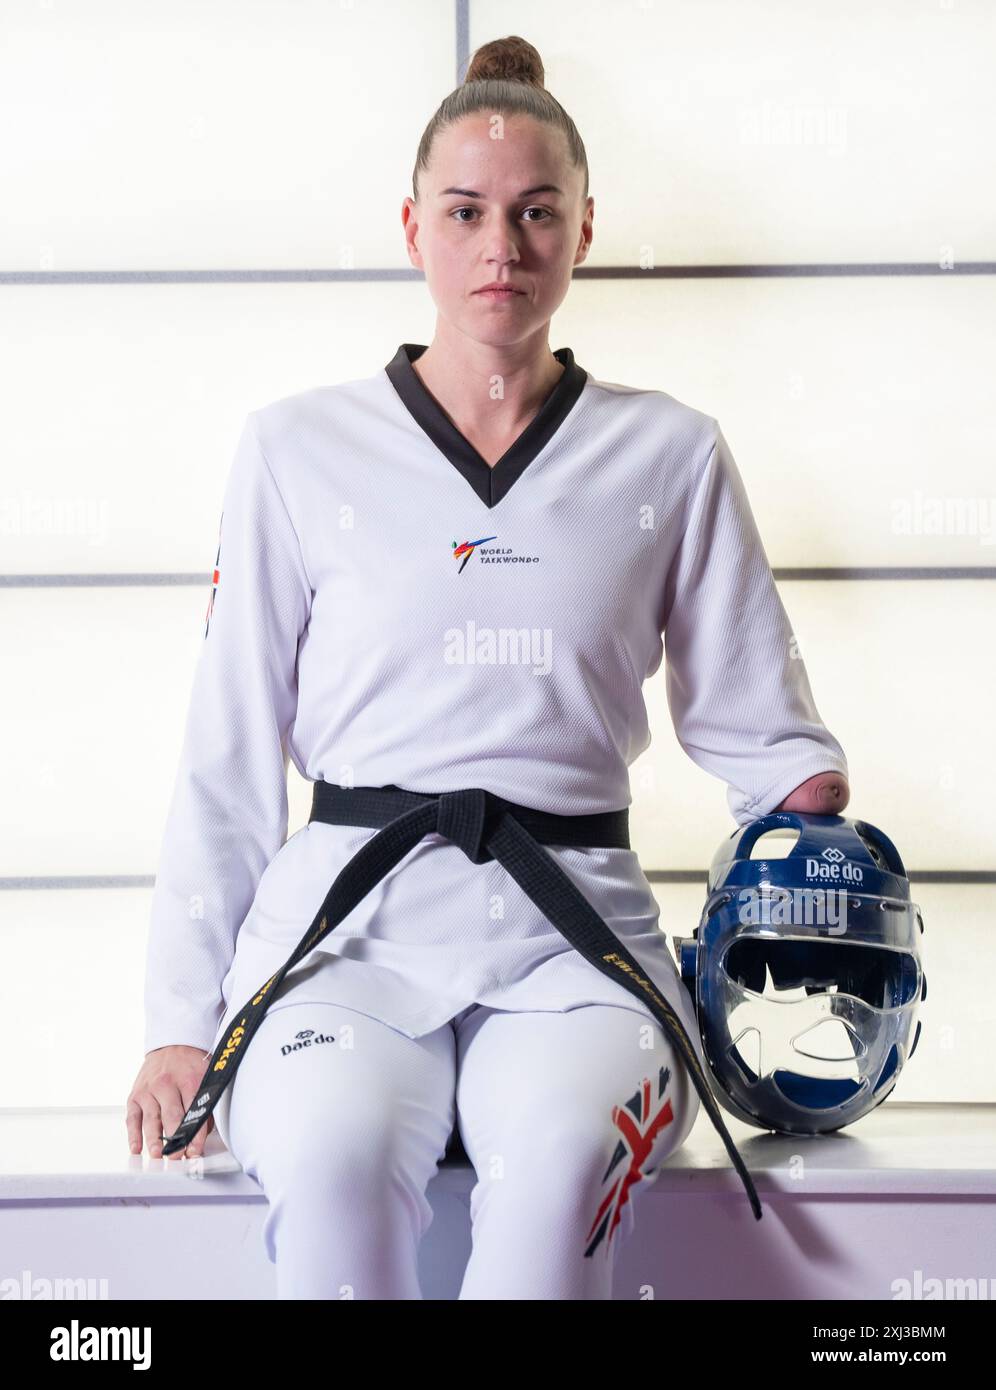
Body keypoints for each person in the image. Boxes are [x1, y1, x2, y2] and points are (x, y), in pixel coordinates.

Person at [125, 35, 849, 1300]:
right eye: (465, 213)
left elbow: (765, 737)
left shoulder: (670, 455)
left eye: (534, 215)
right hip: (342, 940)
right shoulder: (297, 452)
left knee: (560, 1167)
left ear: (582, 230)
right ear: (414, 227)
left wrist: (811, 843)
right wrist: (181, 1022)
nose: (499, 248)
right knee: (336, 1166)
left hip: (579, 945)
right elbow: (228, 754)